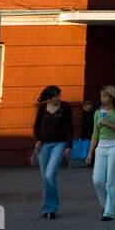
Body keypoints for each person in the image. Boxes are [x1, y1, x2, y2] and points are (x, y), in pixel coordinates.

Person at [86, 84, 115, 221]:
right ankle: (106, 204)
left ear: (111, 97)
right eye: (101, 96)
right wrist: (90, 153)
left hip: (114, 147)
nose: (102, 99)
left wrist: (109, 123)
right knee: (97, 179)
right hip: (101, 147)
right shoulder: (97, 113)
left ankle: (109, 212)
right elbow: (95, 134)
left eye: (105, 96)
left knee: (110, 181)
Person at [32, 86, 72, 219]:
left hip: (59, 144)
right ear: (49, 97)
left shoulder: (66, 107)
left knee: (50, 174)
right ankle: (47, 209)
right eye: (55, 96)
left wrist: (68, 146)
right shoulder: (42, 108)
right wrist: (37, 141)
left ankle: (52, 207)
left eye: (59, 95)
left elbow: (70, 127)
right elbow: (36, 127)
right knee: (45, 179)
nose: (58, 98)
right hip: (43, 145)